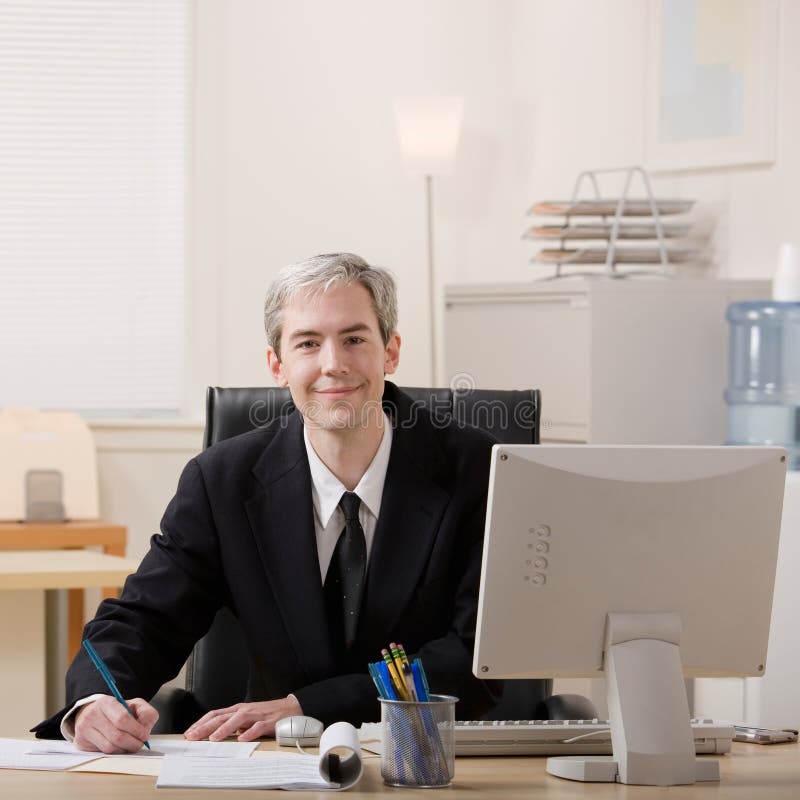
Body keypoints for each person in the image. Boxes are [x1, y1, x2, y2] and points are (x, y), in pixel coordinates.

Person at [32, 253, 498, 753]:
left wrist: (308, 705)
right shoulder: (222, 482)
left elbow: (477, 656)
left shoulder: (477, 471)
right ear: (278, 364)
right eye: (308, 343)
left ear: (391, 352)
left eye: (355, 339)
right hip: (276, 762)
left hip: (440, 758)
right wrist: (97, 701)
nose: (333, 363)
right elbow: (146, 619)